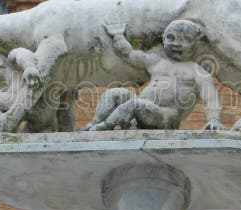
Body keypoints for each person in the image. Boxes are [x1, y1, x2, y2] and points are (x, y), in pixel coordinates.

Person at [85, 20, 224, 131]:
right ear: (163, 39)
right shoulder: (156, 62)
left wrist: (214, 120)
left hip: (166, 116)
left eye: (186, 39)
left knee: (135, 104)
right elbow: (129, 54)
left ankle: (103, 127)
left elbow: (210, 98)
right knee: (114, 93)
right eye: (171, 38)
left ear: (195, 43)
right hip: (140, 110)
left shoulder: (197, 71)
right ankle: (95, 123)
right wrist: (118, 36)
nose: (177, 44)